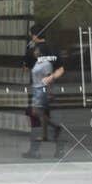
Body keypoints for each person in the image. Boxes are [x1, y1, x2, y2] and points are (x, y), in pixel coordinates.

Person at [24, 31, 65, 159]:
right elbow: (60, 69)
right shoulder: (52, 51)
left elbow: (26, 69)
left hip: (40, 90)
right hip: (44, 90)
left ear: (34, 35)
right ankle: (57, 147)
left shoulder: (34, 54)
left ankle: (35, 150)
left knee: (34, 115)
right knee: (39, 115)